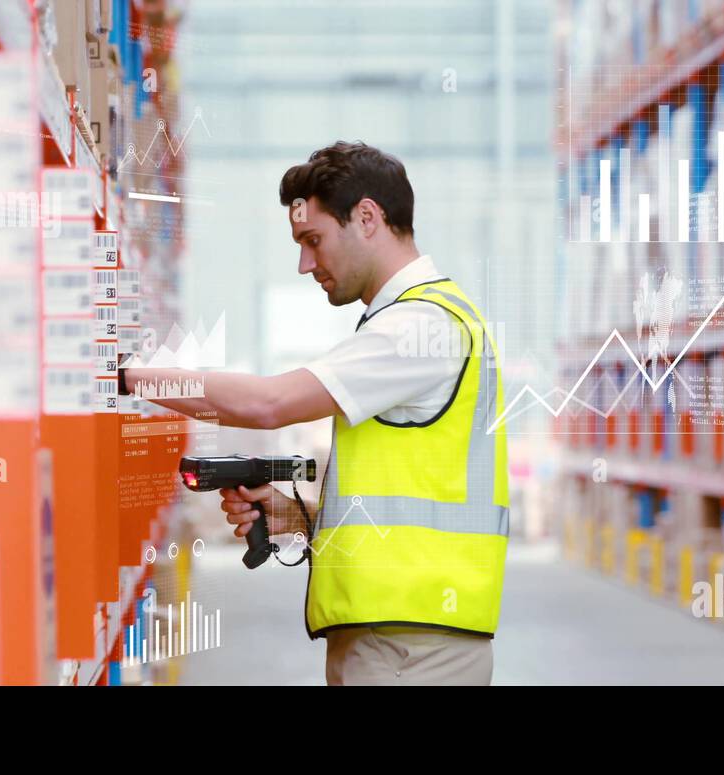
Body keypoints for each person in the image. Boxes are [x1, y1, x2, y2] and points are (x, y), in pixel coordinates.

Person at [120, 141, 509, 686]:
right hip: (402, 636)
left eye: (313, 240)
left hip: (409, 646)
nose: (306, 263)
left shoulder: (421, 327)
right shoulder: (415, 322)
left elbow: (267, 404)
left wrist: (125, 375)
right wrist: (299, 517)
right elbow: (405, 492)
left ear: (368, 218)